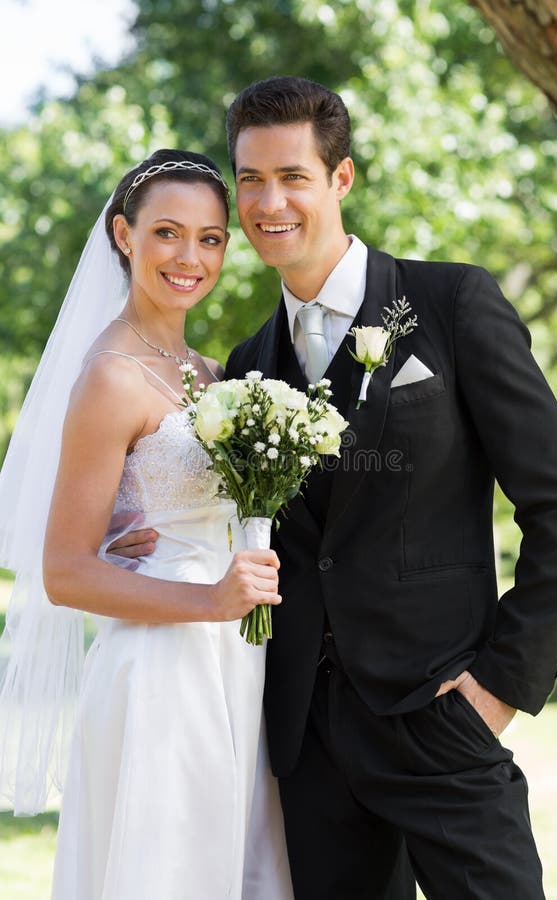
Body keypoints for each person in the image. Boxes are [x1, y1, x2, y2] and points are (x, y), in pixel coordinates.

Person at [109, 78, 557, 899]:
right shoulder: (246, 366)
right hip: (307, 742)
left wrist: (501, 687)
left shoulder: (451, 303)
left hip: (443, 715)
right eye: (251, 179)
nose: (269, 203)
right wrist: (138, 535)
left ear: (340, 179)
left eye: (292, 176)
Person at [0, 149, 293, 900]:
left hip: (232, 662)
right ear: (125, 235)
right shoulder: (111, 376)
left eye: (210, 238)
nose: (190, 257)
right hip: (160, 672)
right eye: (167, 232)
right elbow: (65, 573)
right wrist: (212, 600)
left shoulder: (212, 375)